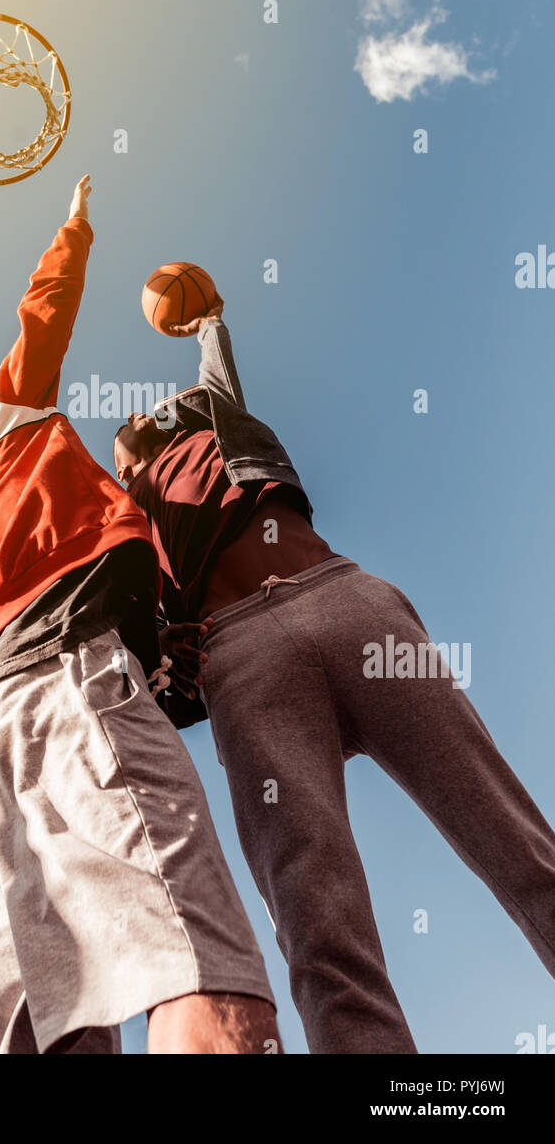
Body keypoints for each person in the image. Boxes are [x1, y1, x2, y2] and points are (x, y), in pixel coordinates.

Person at [0, 179, 280, 1056]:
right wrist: (75, 227)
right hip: (62, 675)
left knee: (47, 1023)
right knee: (190, 958)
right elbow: (47, 306)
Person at [114, 298, 555, 1054]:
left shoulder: (219, 423)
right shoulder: (127, 513)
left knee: (516, 840)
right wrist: (162, 650)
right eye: (125, 429)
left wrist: (209, 319)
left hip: (346, 601)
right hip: (240, 654)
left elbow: (216, 376)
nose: (137, 420)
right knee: (318, 922)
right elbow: (134, 636)